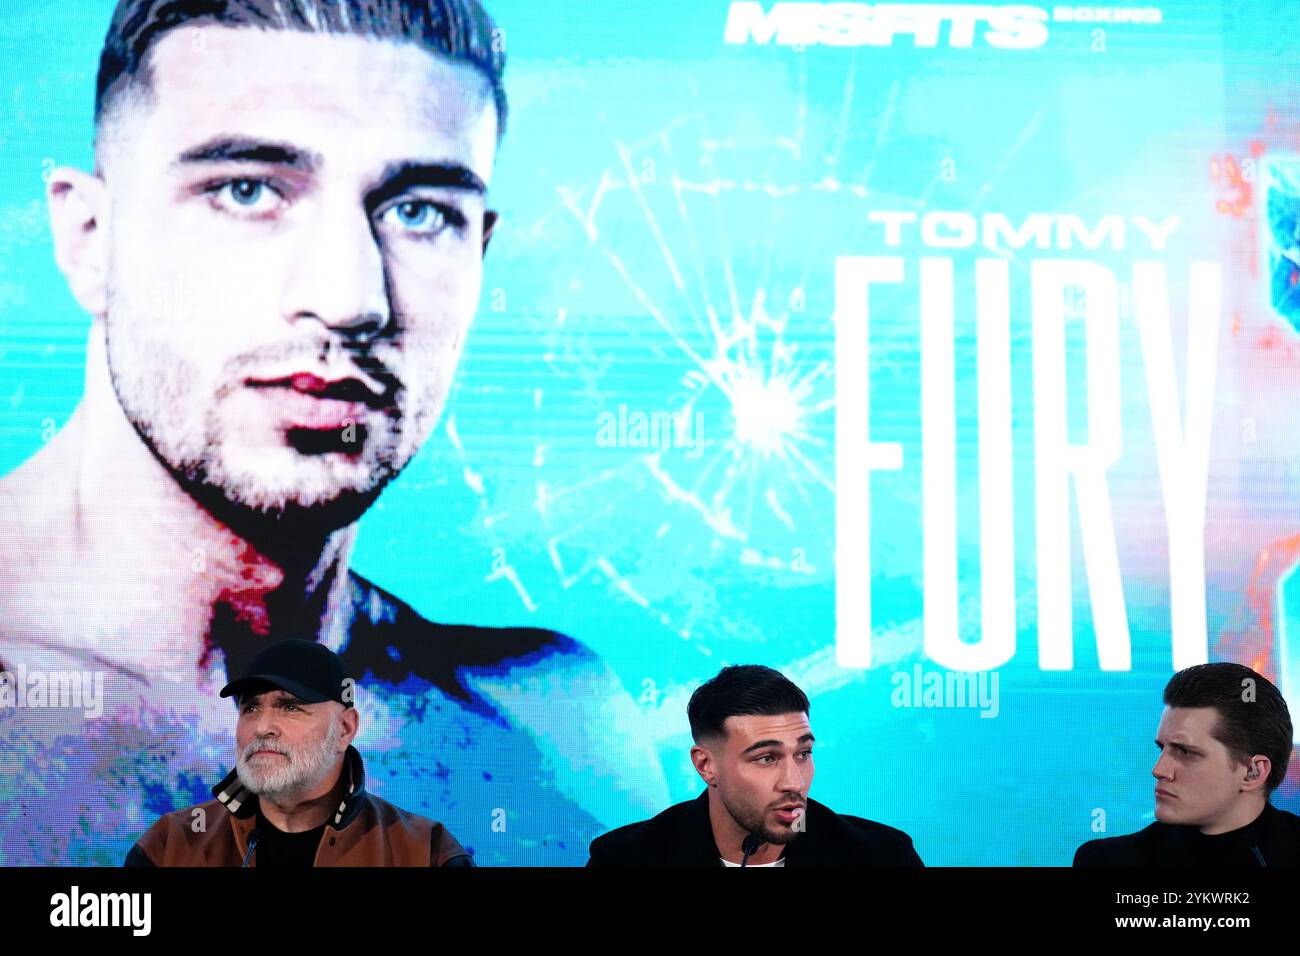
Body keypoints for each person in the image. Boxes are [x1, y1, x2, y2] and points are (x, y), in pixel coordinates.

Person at [0, 0, 666, 867]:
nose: (352, 297)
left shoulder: (558, 731)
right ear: (91, 239)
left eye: (421, 212)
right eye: (248, 191)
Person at [124, 639, 472, 866]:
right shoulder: (170, 846)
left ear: (345, 729)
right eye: (250, 708)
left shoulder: (425, 853)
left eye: (290, 707)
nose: (262, 727)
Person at [587, 664, 924, 866]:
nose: (793, 781)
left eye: (803, 754)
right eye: (766, 758)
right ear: (706, 766)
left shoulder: (881, 857)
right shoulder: (626, 860)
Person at [1074, 662, 1300, 866]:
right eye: (1162, 748)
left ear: (1252, 773)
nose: (1158, 770)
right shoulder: (1107, 862)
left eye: (1185, 752)